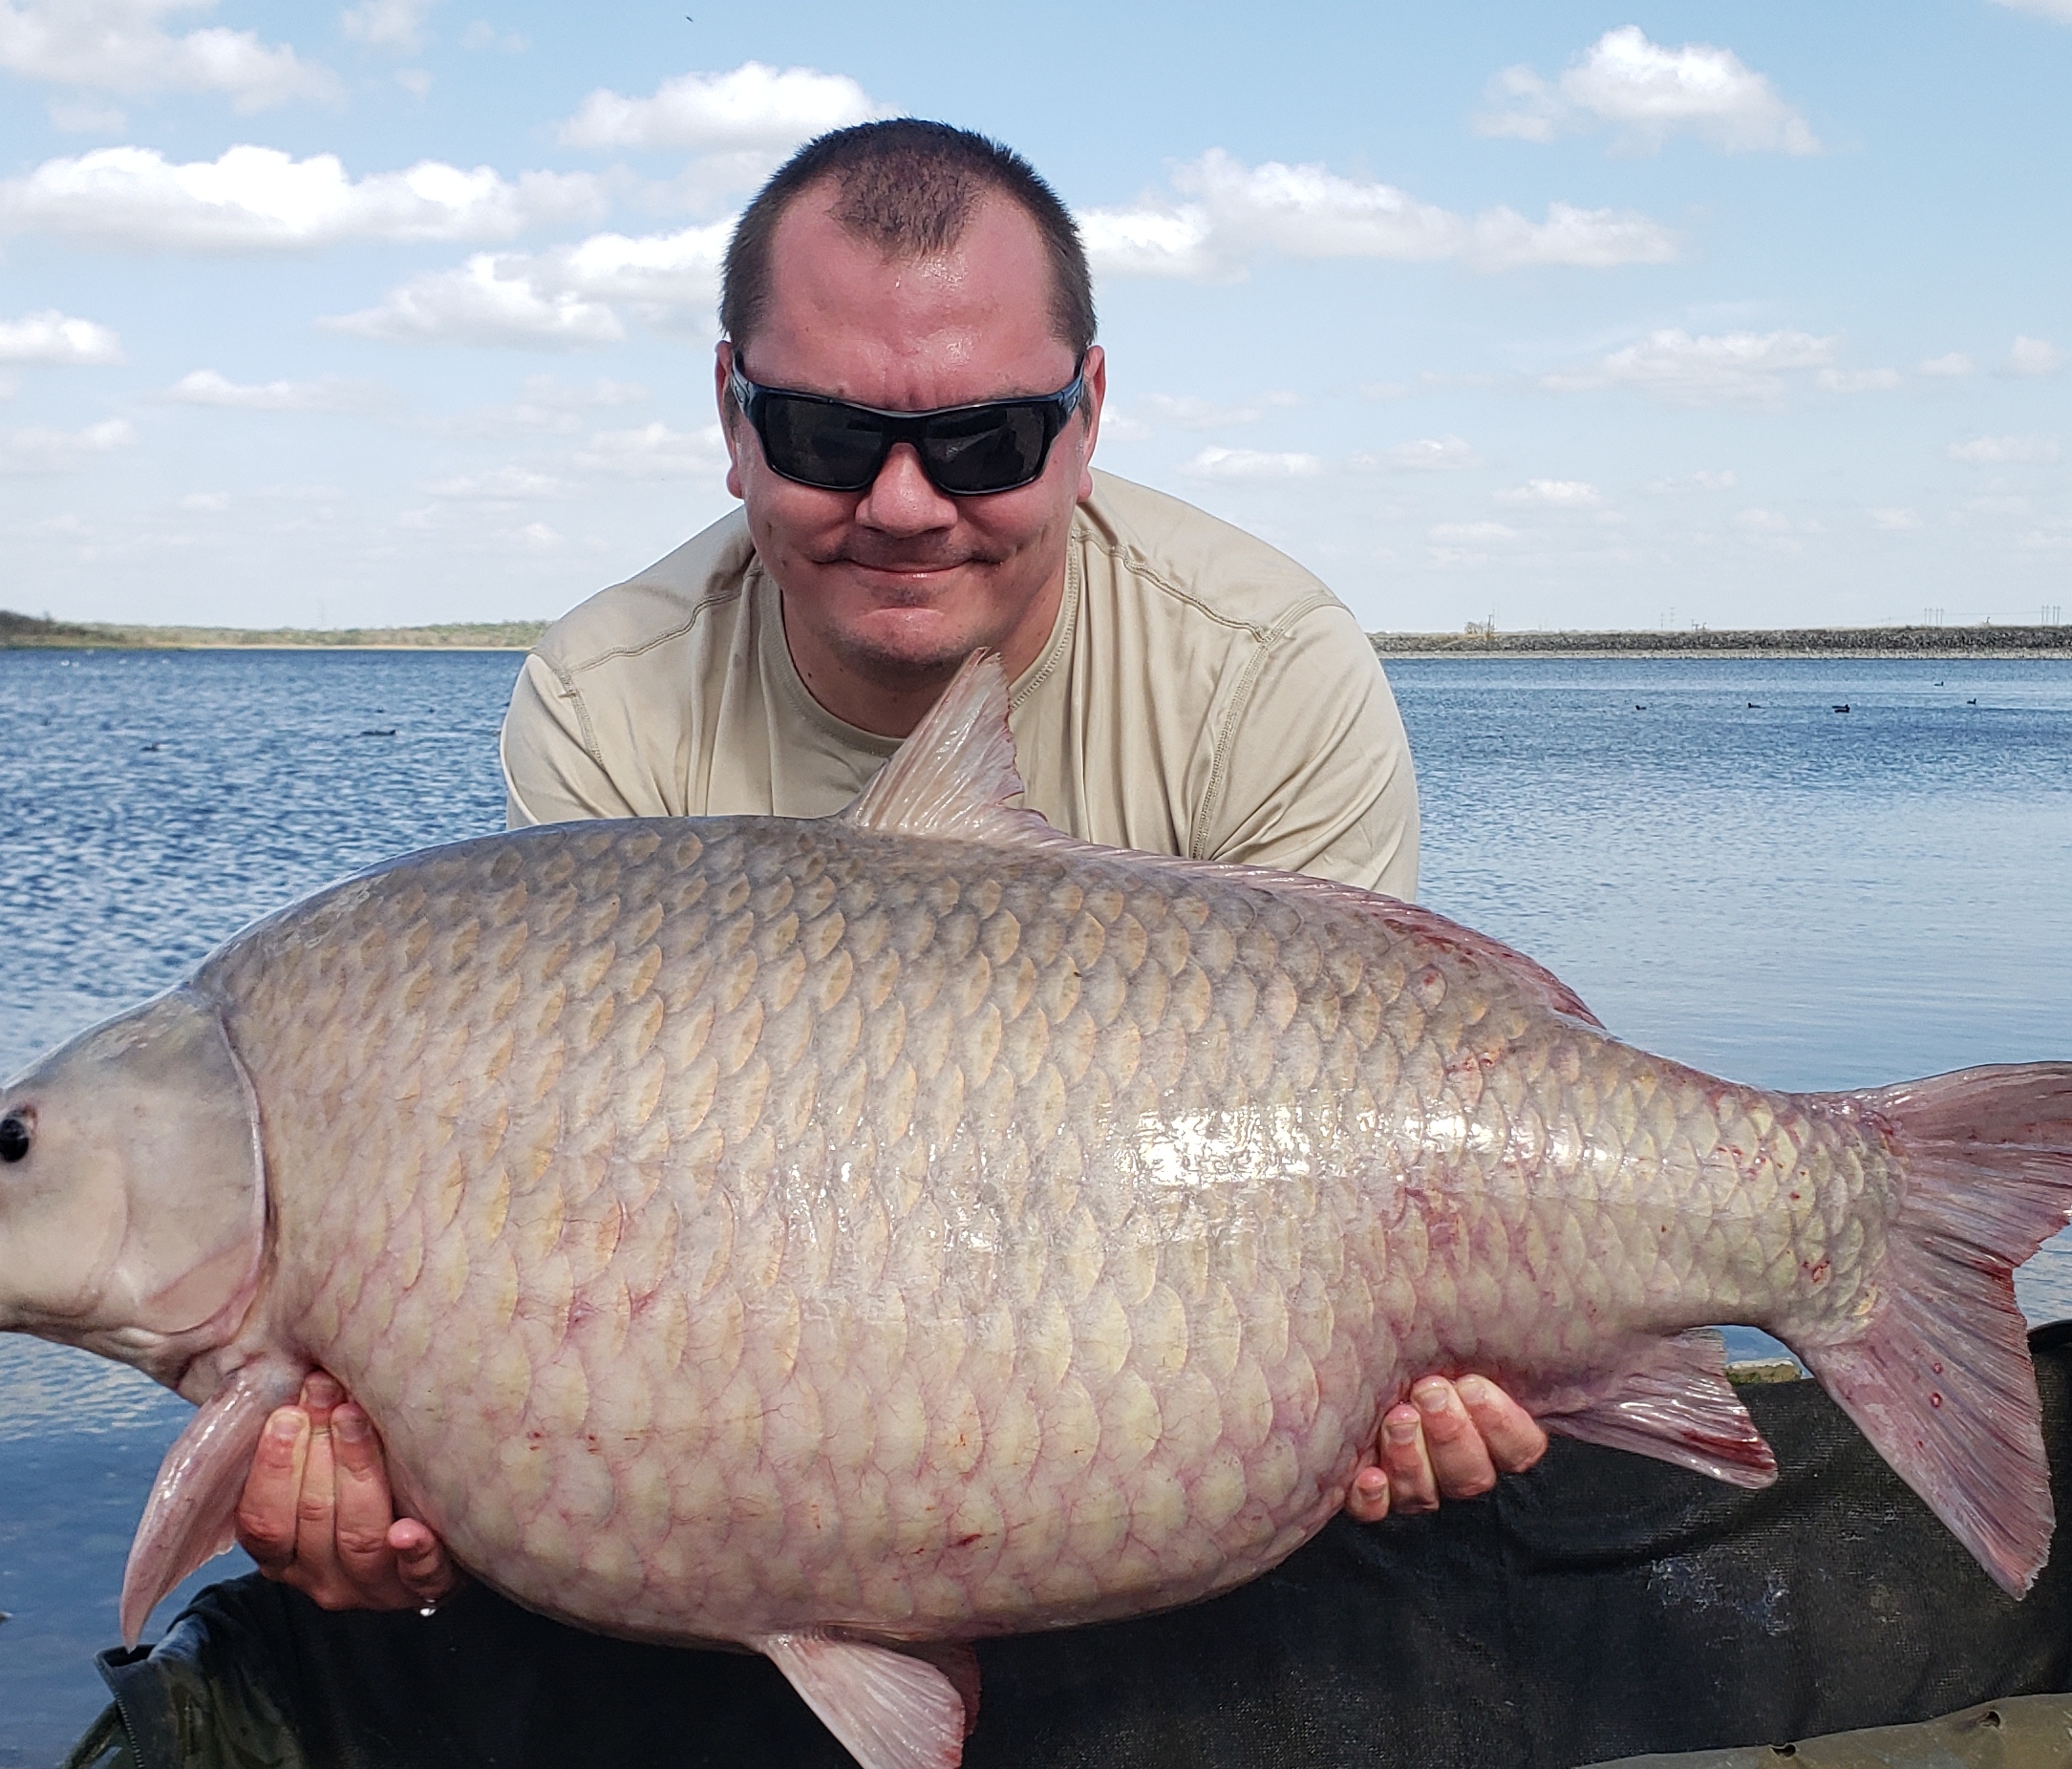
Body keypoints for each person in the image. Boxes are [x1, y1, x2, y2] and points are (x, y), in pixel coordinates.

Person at [233, 119, 1548, 1617]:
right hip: (811, 1398)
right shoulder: (610, 701)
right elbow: (604, 1247)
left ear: (1089, 413)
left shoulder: (1268, 672)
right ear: (732, 415)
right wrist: (462, 1463)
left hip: (1189, 1430)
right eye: (828, 439)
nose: (909, 505)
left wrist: (1430, 1380)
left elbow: (1387, 1121)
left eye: (986, 440)